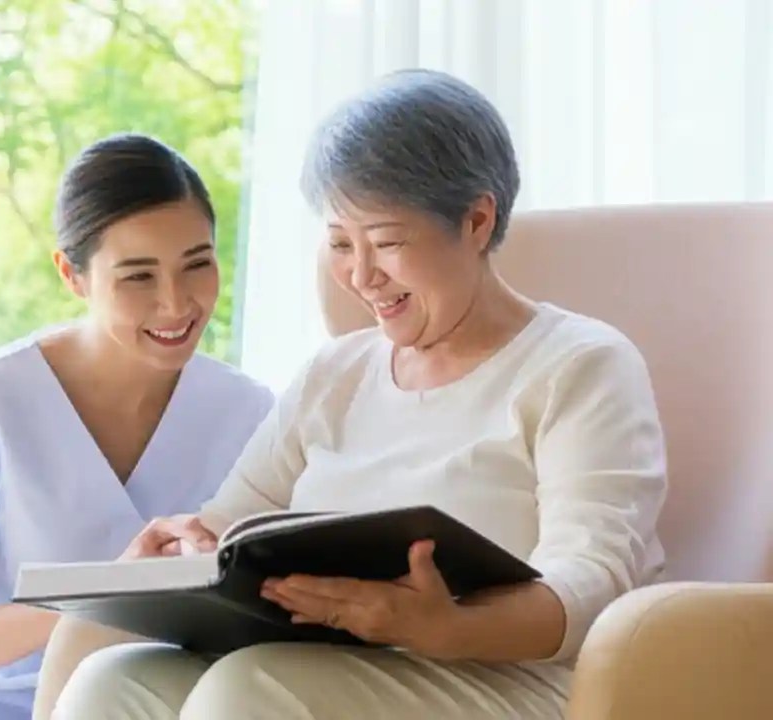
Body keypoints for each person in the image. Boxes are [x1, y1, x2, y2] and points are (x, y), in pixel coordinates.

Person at [38, 70, 668, 720]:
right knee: (114, 680)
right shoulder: (335, 374)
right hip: (331, 670)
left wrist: (443, 625)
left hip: (514, 680)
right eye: (341, 242)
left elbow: (593, 580)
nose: (361, 276)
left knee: (250, 688)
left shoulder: (580, 365)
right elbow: (229, 529)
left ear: (477, 220)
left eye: (388, 242)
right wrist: (175, 558)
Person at [0, 133, 275, 720]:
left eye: (197, 264)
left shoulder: (250, 412)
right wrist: (107, 599)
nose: (176, 304)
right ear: (73, 274)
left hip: (151, 698)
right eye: (138, 277)